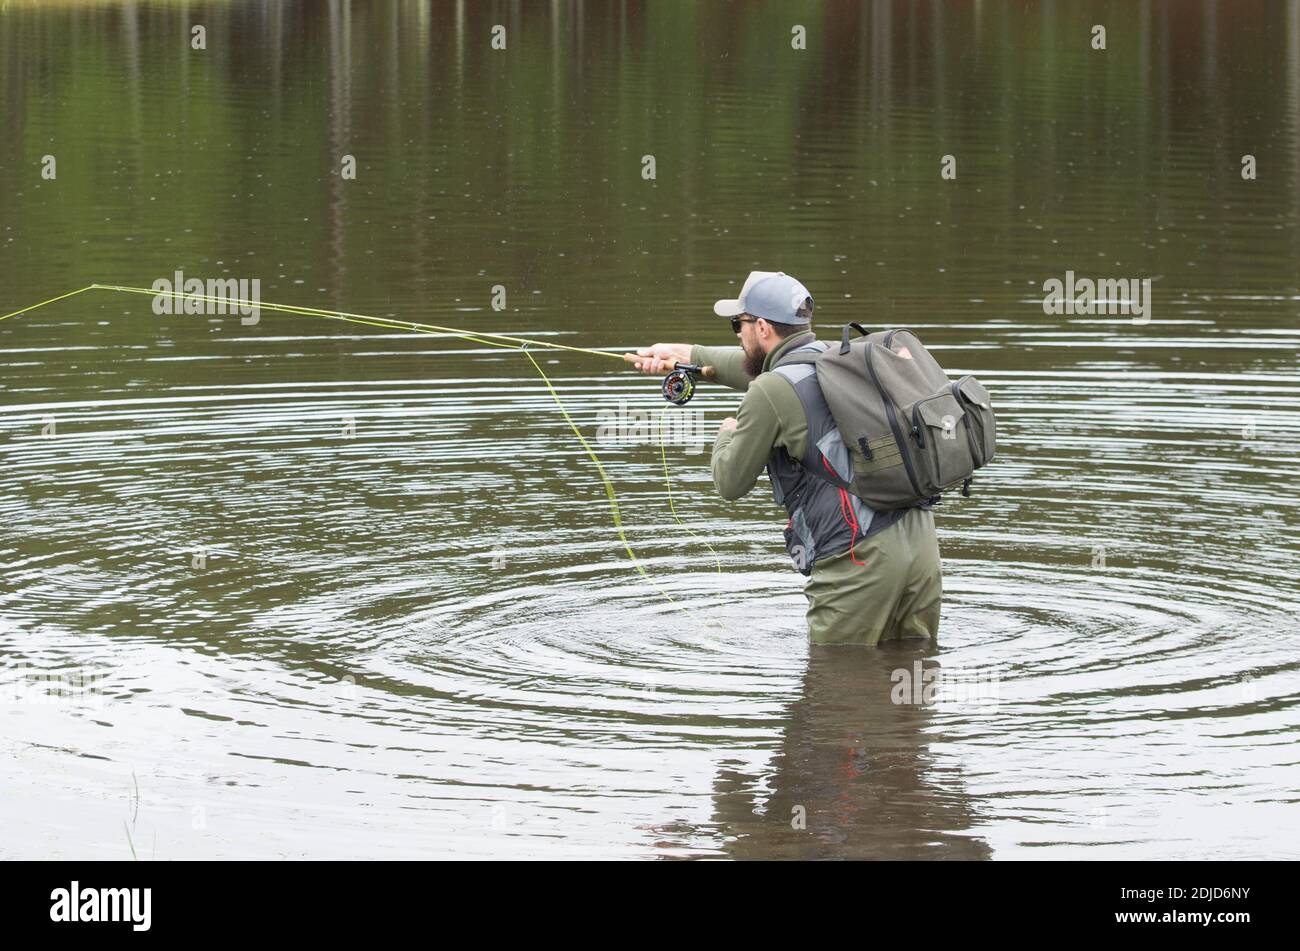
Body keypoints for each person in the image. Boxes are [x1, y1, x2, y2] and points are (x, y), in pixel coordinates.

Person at [624, 271, 942, 646]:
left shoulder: (770, 390)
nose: (738, 336)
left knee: (831, 692)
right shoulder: (835, 357)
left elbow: (730, 481)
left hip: (858, 559)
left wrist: (726, 433)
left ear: (760, 327)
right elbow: (756, 369)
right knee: (912, 682)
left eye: (737, 325)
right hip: (920, 545)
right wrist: (683, 356)